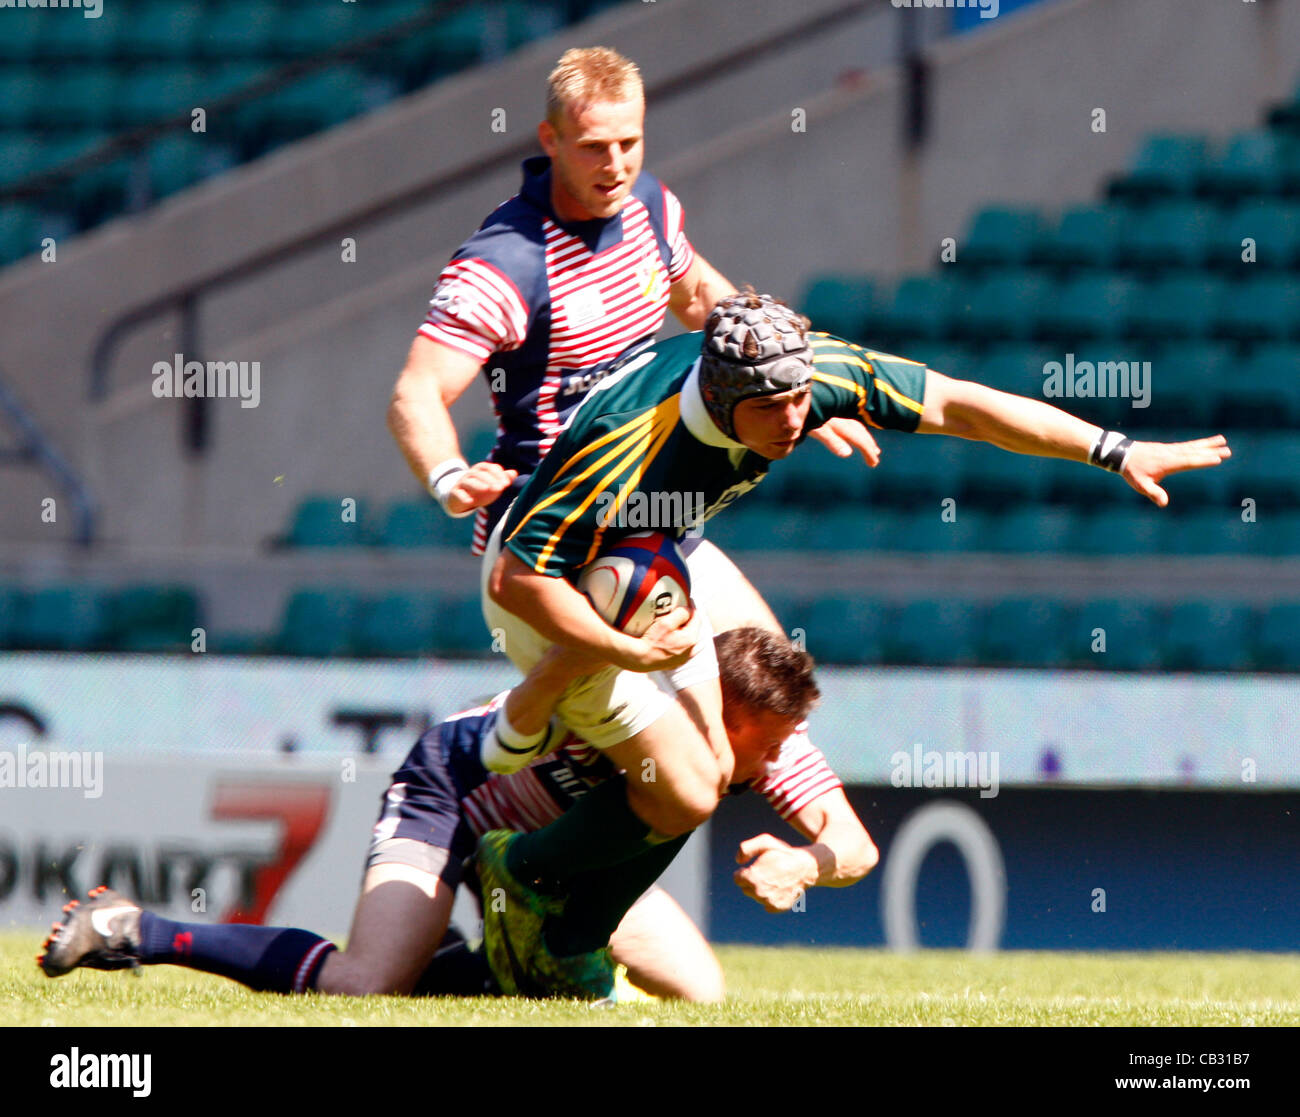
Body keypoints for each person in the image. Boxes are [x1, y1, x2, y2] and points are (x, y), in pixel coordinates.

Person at [473, 288, 1232, 994]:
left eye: (805, 398)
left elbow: (959, 405)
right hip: (558, 587)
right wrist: (634, 653)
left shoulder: (802, 375)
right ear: (723, 397)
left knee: (749, 722)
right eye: (775, 407)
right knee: (690, 784)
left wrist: (1113, 448)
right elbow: (515, 581)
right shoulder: (626, 439)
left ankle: (558, 836)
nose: (798, 420)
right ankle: (535, 888)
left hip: (656, 551)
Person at [37, 627, 877, 1003]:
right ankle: (135, 929)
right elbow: (531, 692)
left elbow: (855, 844)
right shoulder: (629, 703)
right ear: (714, 712)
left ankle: (462, 959)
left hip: (552, 859)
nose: (773, 765)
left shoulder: (764, 739)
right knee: (366, 983)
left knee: (699, 988)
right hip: (453, 793)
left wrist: (806, 862)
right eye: (761, 746)